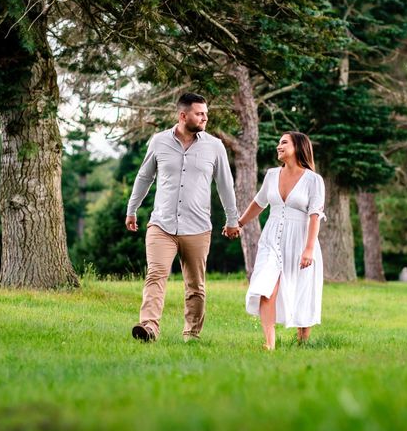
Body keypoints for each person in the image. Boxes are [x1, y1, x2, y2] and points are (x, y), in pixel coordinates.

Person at [125, 93, 240, 342]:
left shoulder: (214, 146)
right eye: (200, 113)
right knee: (155, 275)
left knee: (196, 286)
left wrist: (233, 220)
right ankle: (149, 328)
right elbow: (144, 177)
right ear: (183, 115)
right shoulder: (158, 142)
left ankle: (192, 334)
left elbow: (225, 185)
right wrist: (132, 209)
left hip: (197, 228)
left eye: (205, 114)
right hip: (162, 224)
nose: (205, 118)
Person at [238, 131, 325, 350]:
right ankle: (269, 344)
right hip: (271, 238)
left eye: (284, 142)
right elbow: (259, 203)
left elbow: (315, 215)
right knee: (266, 286)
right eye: (279, 142)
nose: (279, 146)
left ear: (298, 147)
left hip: (301, 239)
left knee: (303, 289)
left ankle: (302, 341)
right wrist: (238, 223)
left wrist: (309, 249)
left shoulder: (313, 180)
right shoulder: (271, 175)